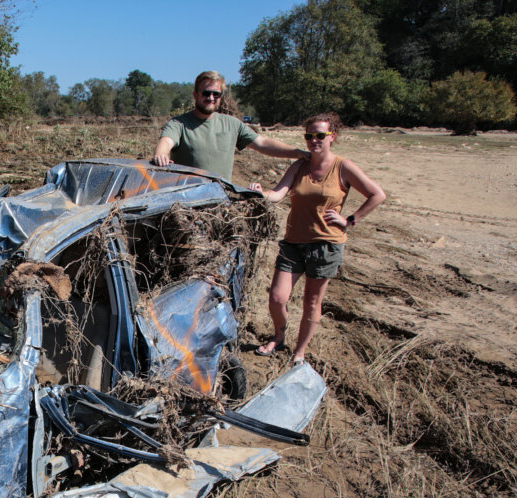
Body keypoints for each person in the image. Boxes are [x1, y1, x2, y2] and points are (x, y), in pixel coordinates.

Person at [250, 113, 386, 365]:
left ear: (332, 137)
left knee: (312, 302)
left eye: (320, 135)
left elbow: (377, 195)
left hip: (326, 244)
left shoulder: (343, 166)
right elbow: (278, 194)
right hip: (293, 243)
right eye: (310, 135)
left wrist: (350, 220)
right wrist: (260, 193)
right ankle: (278, 338)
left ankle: (299, 352)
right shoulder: (299, 165)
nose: (314, 140)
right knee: (277, 297)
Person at [152, 71, 305, 180]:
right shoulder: (179, 123)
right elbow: (166, 141)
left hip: (221, 204)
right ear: (195, 95)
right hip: (186, 205)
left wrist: (298, 153)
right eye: (206, 93)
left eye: (216, 94)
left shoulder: (232, 124)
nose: (211, 98)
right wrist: (162, 155)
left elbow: (263, 143)